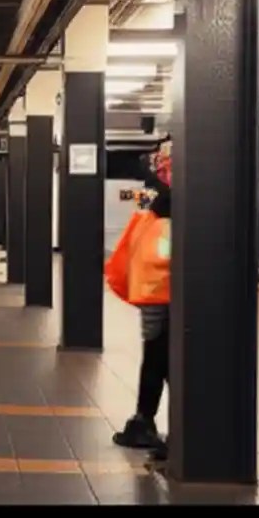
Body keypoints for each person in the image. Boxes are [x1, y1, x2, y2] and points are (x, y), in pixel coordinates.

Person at [112, 167, 172, 457]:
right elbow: (166, 261)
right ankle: (150, 421)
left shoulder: (146, 221)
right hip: (162, 299)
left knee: (156, 361)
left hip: (149, 297)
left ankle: (143, 419)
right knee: (161, 362)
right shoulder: (164, 229)